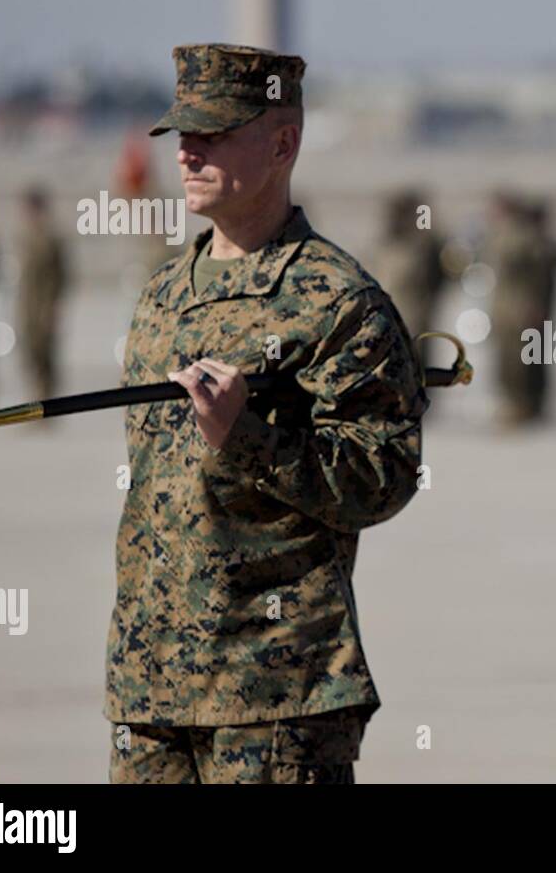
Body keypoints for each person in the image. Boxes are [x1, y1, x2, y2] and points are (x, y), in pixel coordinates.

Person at [108, 43, 428, 783]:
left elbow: (384, 477)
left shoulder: (338, 301)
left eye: (214, 132)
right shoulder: (162, 296)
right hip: (151, 686)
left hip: (274, 695)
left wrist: (248, 440)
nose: (188, 152)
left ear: (283, 142)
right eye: (183, 134)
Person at [485, 193, 556, 425]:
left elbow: (537, 276)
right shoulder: (500, 236)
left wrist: (535, 304)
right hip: (505, 307)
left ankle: (523, 404)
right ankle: (514, 403)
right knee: (508, 359)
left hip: (522, 307)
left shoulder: (525, 238)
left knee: (521, 360)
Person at [16, 186, 68, 401]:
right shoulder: (24, 237)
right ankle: (35, 395)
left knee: (46, 353)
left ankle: (47, 398)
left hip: (45, 305)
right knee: (29, 351)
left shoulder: (52, 238)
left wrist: (54, 306)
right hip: (27, 304)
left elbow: (61, 275)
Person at [372, 188, 444, 338]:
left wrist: (423, 212)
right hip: (387, 322)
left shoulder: (421, 248)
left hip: (413, 320)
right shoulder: (387, 249)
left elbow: (430, 238)